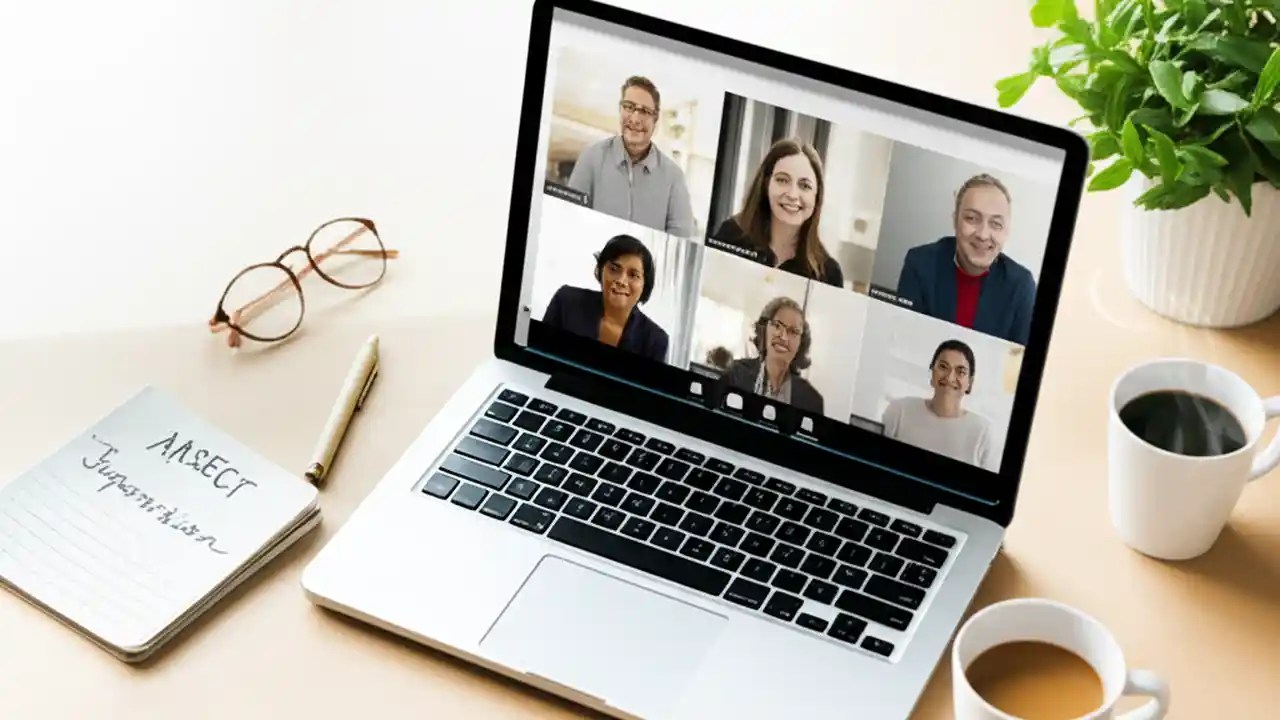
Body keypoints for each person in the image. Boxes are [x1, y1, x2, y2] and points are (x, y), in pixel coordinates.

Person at [895, 173, 1036, 345]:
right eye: (972, 218)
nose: (983, 235)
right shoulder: (919, 263)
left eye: (996, 224)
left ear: (1006, 231)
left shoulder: (1021, 285)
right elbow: (903, 341)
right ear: (955, 220)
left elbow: (1018, 364)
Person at [566, 76, 696, 237]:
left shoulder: (673, 177)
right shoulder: (591, 157)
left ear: (655, 119)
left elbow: (681, 237)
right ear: (620, 110)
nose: (635, 119)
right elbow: (570, 217)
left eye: (645, 112)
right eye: (629, 107)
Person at [710, 138, 844, 287]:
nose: (792, 195)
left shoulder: (829, 274)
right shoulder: (730, 235)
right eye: (782, 180)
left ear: (817, 196)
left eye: (805, 186)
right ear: (766, 184)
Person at [542, 234, 669, 362]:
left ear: (644, 285)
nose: (621, 281)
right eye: (614, 269)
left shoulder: (655, 340)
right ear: (600, 270)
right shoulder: (566, 301)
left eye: (633, 275)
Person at [881, 339, 995, 470]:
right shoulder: (900, 411)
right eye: (943, 367)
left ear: (970, 383)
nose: (950, 378)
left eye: (961, 371)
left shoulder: (983, 433)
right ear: (932, 371)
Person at [720, 297, 824, 414]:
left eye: (793, 331)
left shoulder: (812, 401)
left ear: (801, 343)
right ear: (764, 330)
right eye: (777, 325)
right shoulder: (736, 374)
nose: (783, 337)